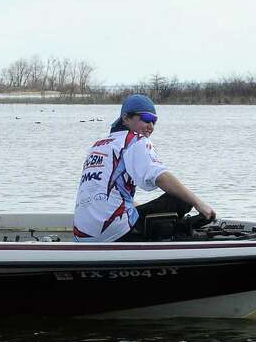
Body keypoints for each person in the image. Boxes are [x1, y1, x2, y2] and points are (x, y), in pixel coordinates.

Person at [72, 94, 216, 242]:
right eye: (146, 119)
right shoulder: (136, 140)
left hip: (82, 235)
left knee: (146, 207)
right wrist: (199, 204)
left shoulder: (97, 146)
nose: (151, 127)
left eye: (154, 121)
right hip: (115, 233)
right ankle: (179, 234)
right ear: (126, 118)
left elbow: (108, 194)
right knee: (181, 199)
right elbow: (161, 177)